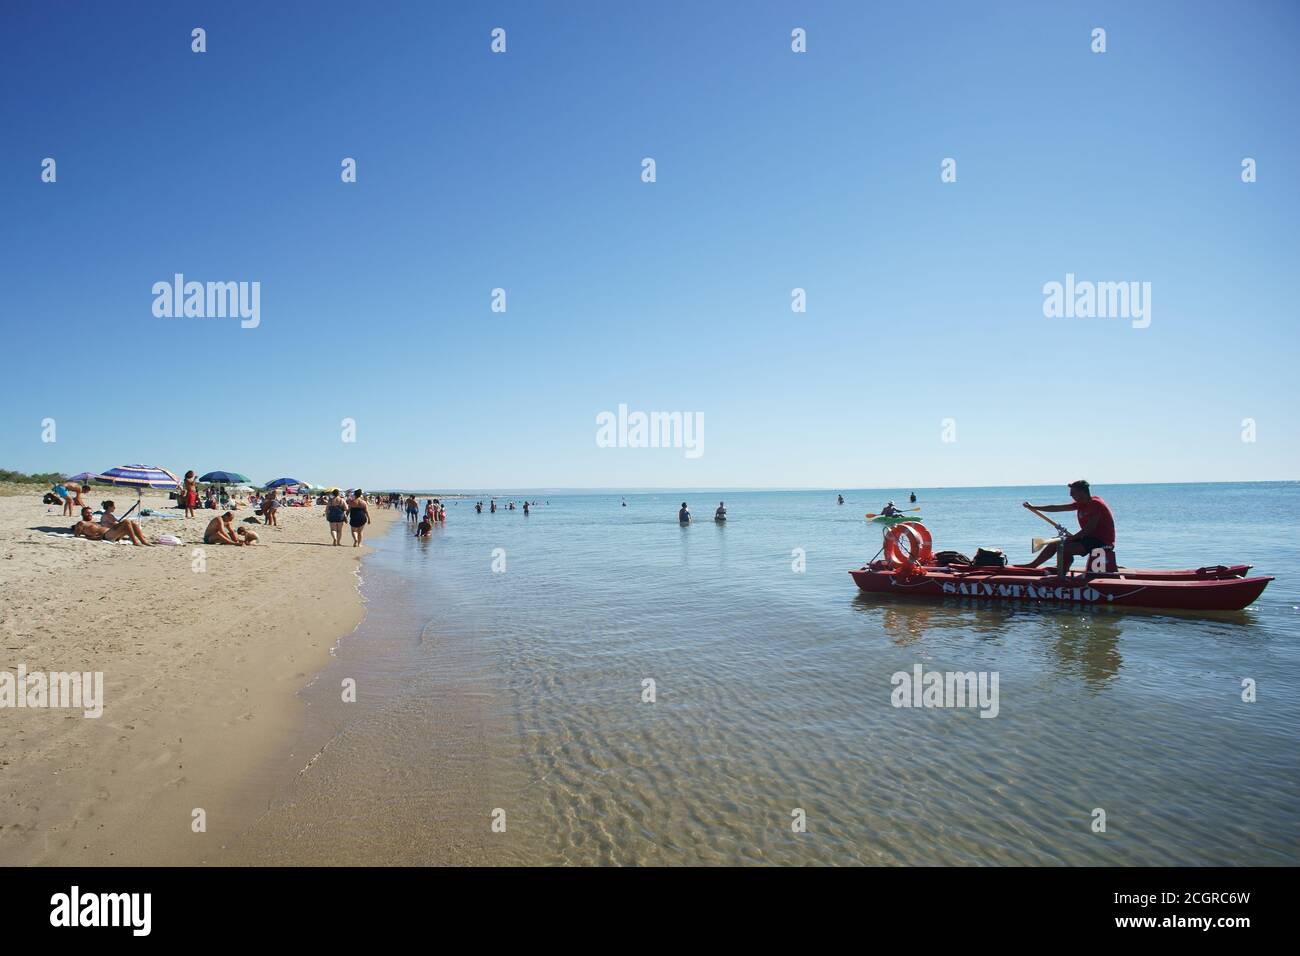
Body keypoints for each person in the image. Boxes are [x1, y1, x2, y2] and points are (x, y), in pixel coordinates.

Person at [1022, 480, 1116, 576]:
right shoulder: (1081, 503)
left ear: (1082, 492)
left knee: (1062, 547)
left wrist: (1073, 537)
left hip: (1102, 542)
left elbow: (1090, 528)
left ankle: (1062, 571)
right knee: (1055, 543)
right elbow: (1057, 508)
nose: (1071, 495)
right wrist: (1034, 507)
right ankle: (1033, 565)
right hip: (1088, 539)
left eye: (1073, 493)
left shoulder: (1096, 504)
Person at [73, 507, 151, 546]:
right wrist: (90, 538)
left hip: (112, 533)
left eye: (90, 513)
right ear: (82, 514)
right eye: (87, 513)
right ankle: (135, 542)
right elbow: (77, 536)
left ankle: (143, 541)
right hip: (105, 536)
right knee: (126, 521)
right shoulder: (81, 523)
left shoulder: (94, 522)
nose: (89, 514)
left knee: (133, 522)